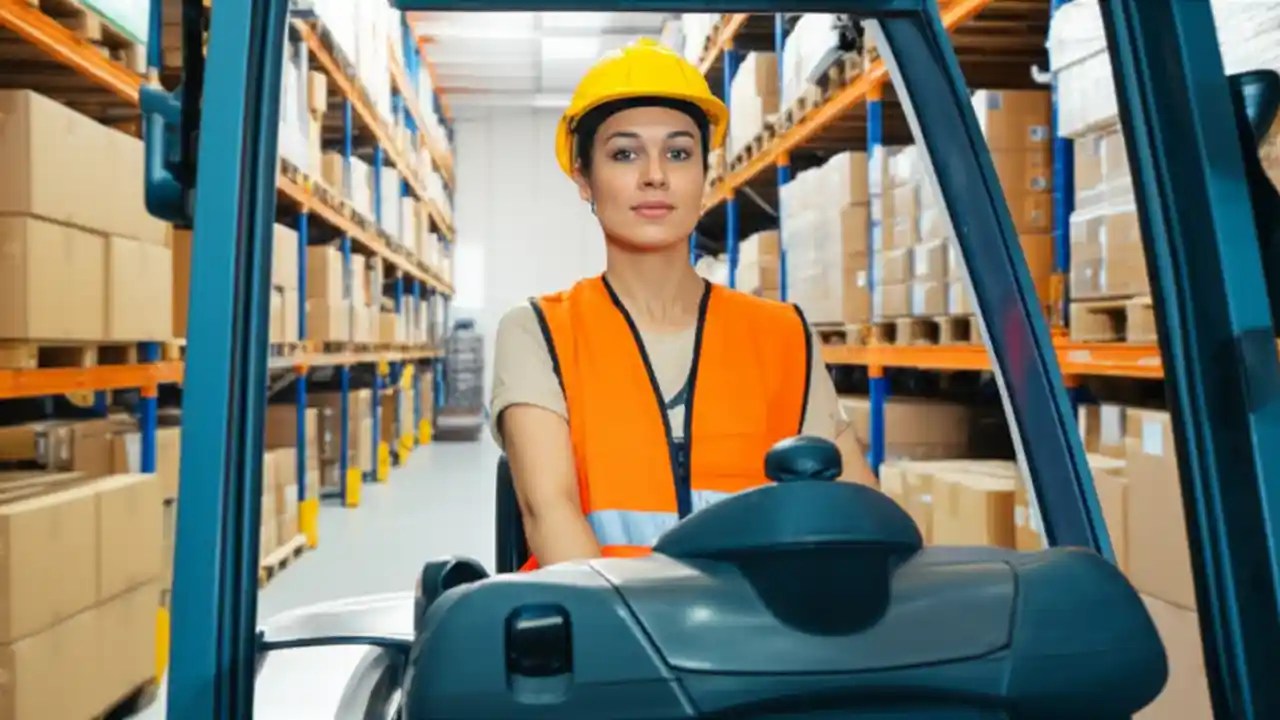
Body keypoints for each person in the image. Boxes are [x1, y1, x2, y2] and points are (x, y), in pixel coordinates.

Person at [490, 38, 877, 569]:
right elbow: (548, 511)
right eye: (624, 154)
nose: (655, 175)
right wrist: (625, 621)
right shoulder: (538, 332)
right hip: (597, 615)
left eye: (678, 153)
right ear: (583, 178)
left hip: (761, 619)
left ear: (703, 173)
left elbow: (856, 510)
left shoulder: (783, 335)